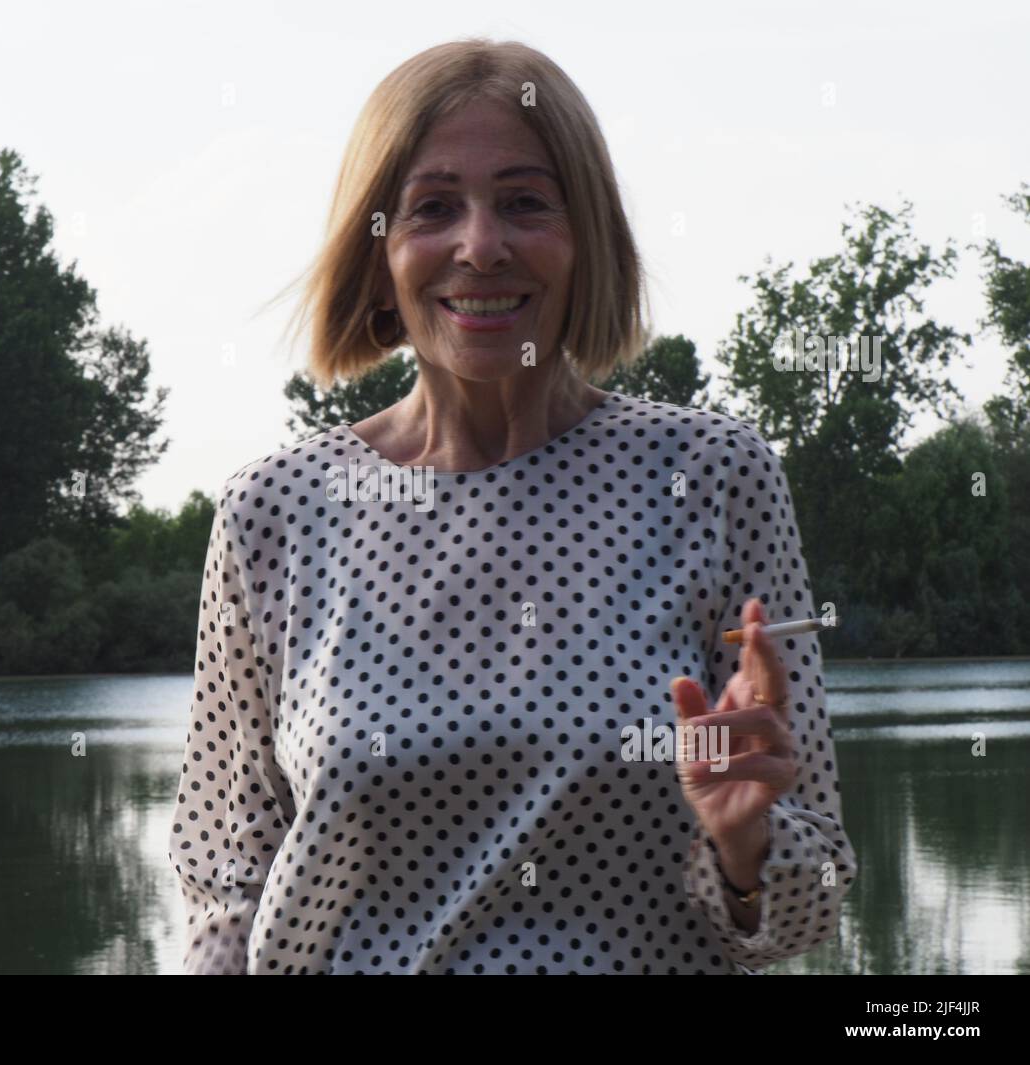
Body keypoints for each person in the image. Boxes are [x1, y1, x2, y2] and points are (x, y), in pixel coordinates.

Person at [167, 37, 856, 974]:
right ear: (378, 256)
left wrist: (746, 848)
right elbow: (224, 885)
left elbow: (811, 906)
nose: (481, 245)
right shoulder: (276, 510)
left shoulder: (715, 477)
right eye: (434, 207)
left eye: (525, 202)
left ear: (588, 241)